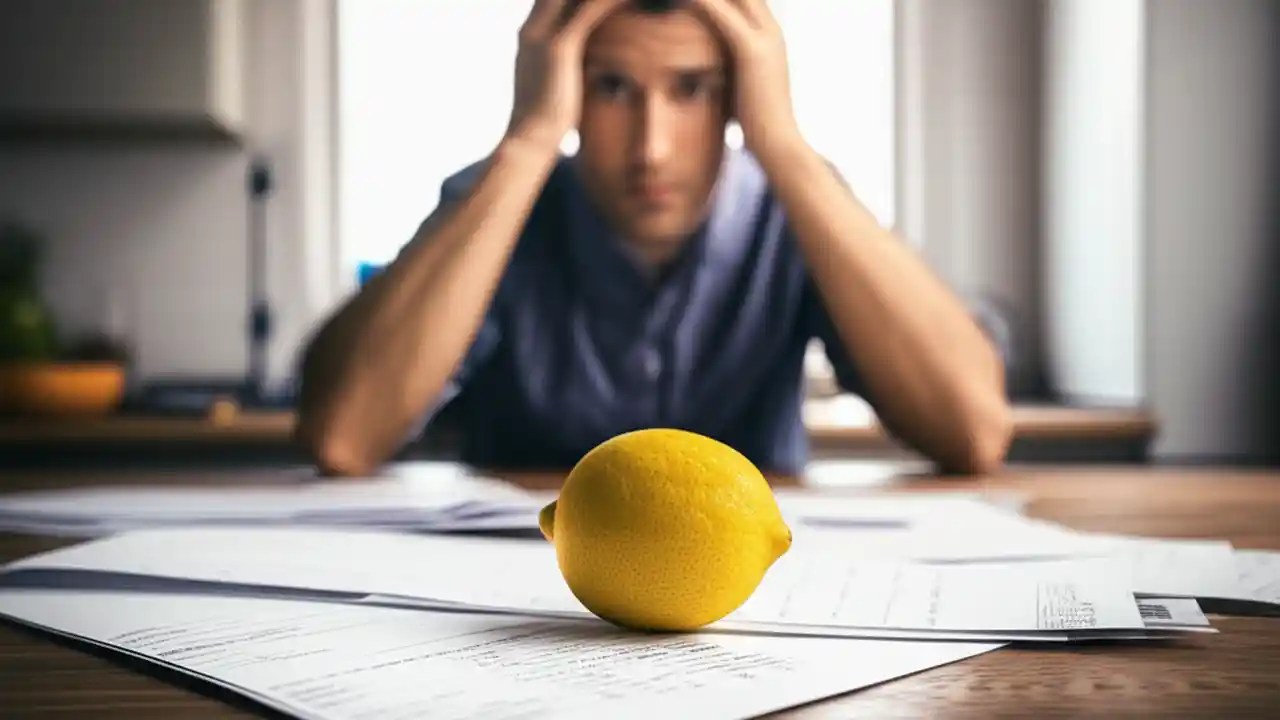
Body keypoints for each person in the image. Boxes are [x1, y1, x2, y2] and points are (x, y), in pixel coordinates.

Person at [296, 0, 1012, 477]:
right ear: (565, 83)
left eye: (691, 88)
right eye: (610, 88)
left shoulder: (795, 215)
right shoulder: (497, 207)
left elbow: (976, 433)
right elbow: (343, 436)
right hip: (516, 611)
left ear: (738, 92)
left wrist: (783, 143)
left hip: (753, 610)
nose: (652, 150)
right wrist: (526, 139)